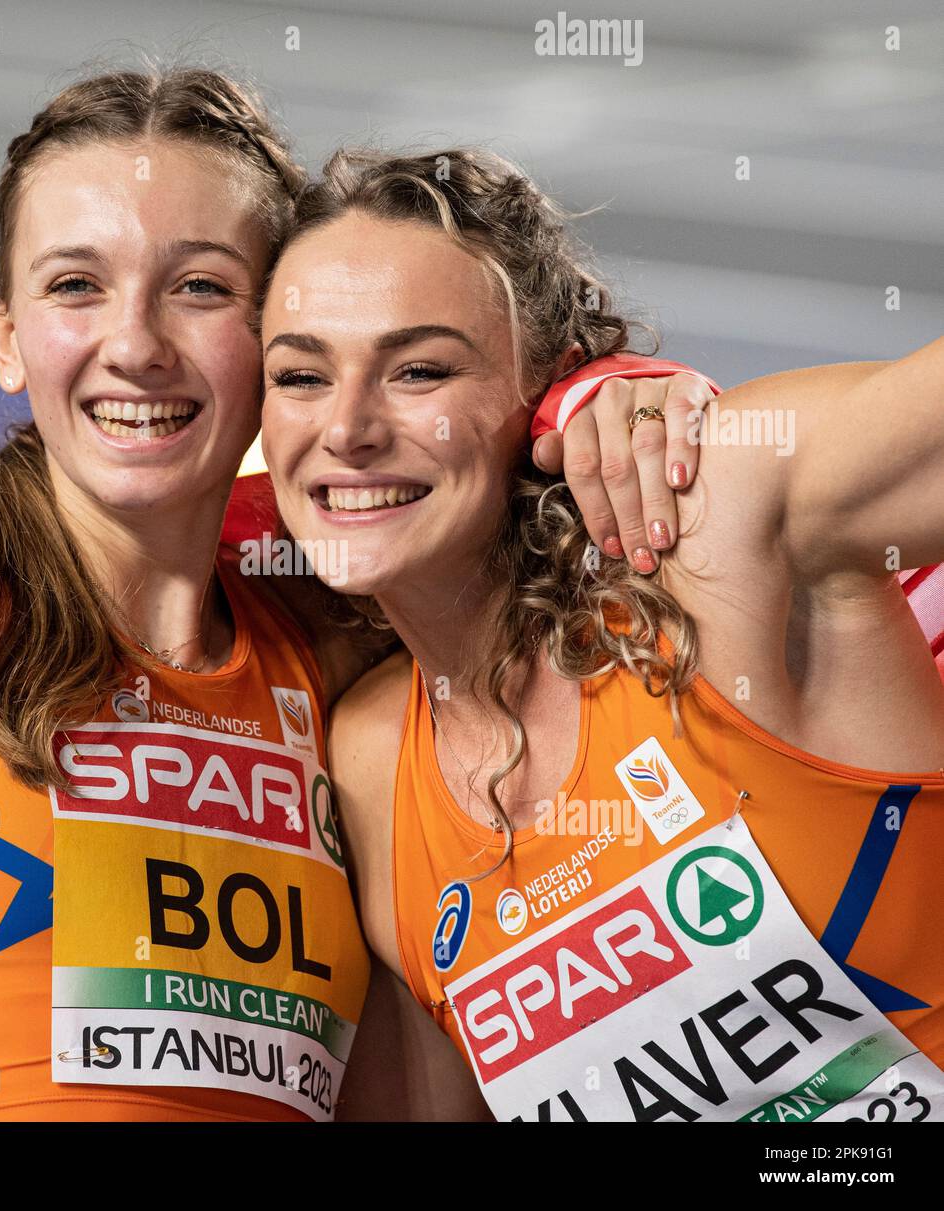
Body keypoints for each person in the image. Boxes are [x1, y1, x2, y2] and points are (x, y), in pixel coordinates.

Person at [0, 68, 708, 1122]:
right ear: (6, 337)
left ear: (279, 336)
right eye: (74, 286)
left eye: (199, 287)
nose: (136, 346)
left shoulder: (347, 667)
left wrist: (593, 397)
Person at [259, 147, 944, 1122]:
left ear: (546, 385)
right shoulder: (371, 764)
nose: (348, 427)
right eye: (300, 375)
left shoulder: (715, 538)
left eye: (419, 369)